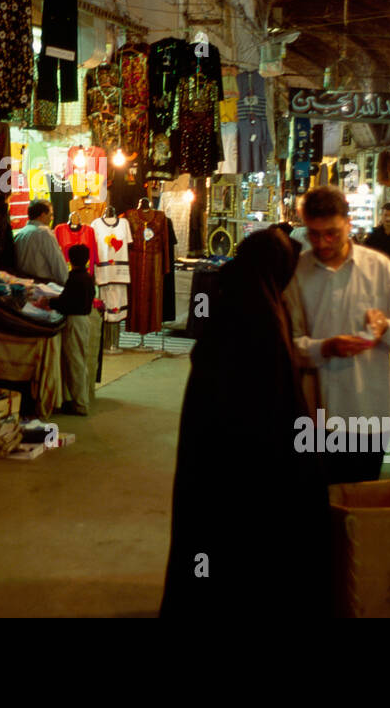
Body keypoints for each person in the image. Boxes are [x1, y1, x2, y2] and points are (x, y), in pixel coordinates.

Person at [161, 228, 331, 617]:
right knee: (239, 538)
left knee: (213, 535)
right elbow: (266, 398)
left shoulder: (242, 299)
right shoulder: (259, 315)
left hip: (216, 452)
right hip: (242, 457)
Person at [286, 186, 390, 485]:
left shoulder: (379, 269)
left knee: (359, 509)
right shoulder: (298, 274)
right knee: (315, 508)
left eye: (332, 233)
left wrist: (386, 326)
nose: (323, 242)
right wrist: (325, 347)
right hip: (315, 415)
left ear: (349, 224)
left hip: (368, 413)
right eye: (314, 234)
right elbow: (288, 346)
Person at [49, 244, 95, 415]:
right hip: (84, 321)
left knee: (75, 362)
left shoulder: (74, 279)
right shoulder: (88, 278)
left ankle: (79, 404)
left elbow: (66, 303)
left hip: (74, 321)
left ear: (69, 259)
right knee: (80, 361)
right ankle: (81, 400)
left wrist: (50, 302)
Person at [13, 199, 69, 284]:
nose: (52, 218)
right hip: (43, 286)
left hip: (24, 285)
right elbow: (57, 263)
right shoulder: (44, 233)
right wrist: (67, 283)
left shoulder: (20, 234)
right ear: (42, 215)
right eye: (50, 215)